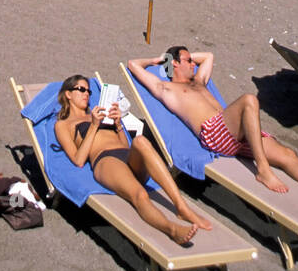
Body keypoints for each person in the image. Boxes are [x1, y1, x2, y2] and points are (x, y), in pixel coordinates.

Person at [127, 49, 298, 200]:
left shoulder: (200, 81)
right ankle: (263, 171)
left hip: (237, 133)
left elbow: (209, 56)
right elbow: (133, 65)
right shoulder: (166, 88)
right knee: (248, 100)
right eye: (187, 60)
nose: (193, 63)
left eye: (192, 60)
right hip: (214, 134)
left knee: (288, 154)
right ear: (174, 65)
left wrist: (186, 56)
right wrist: (160, 59)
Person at [55, 75, 211, 246]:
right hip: (105, 160)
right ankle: (172, 229)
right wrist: (93, 125)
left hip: (125, 154)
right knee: (140, 194)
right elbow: (78, 160)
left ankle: (182, 207)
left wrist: (118, 123)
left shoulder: (100, 114)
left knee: (141, 141)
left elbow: (123, 144)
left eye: (88, 91)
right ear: (68, 94)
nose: (87, 94)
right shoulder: (63, 125)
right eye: (81, 89)